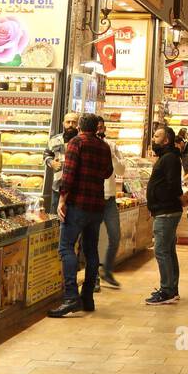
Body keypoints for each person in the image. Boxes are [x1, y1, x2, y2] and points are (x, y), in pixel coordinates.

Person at [49, 113, 113, 317]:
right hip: (96, 206)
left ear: (79, 127)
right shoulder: (103, 146)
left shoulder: (76, 143)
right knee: (91, 251)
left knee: (66, 247)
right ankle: (87, 297)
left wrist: (62, 199)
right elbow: (108, 172)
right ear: (96, 128)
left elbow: (68, 174)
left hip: (77, 205)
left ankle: (70, 298)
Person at [146, 125, 188, 305]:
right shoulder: (168, 157)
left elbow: (173, 185)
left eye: (156, 136)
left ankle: (167, 291)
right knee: (168, 251)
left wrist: (181, 198)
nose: (153, 139)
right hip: (164, 210)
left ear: (166, 140)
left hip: (166, 211)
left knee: (162, 251)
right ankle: (171, 289)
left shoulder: (170, 158)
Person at [98, 117, 124, 289]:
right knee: (91, 239)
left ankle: (106, 270)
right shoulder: (85, 145)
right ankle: (93, 277)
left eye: (101, 127)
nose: (99, 130)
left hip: (110, 199)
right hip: (93, 198)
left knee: (115, 236)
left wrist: (112, 155)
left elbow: (121, 170)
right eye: (96, 127)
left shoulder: (112, 146)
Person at [44, 111, 79, 215]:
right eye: (68, 122)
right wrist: (51, 162)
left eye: (74, 122)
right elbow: (46, 155)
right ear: (64, 123)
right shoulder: (55, 139)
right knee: (55, 219)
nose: (70, 125)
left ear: (78, 124)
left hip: (76, 189)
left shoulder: (81, 140)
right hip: (58, 186)